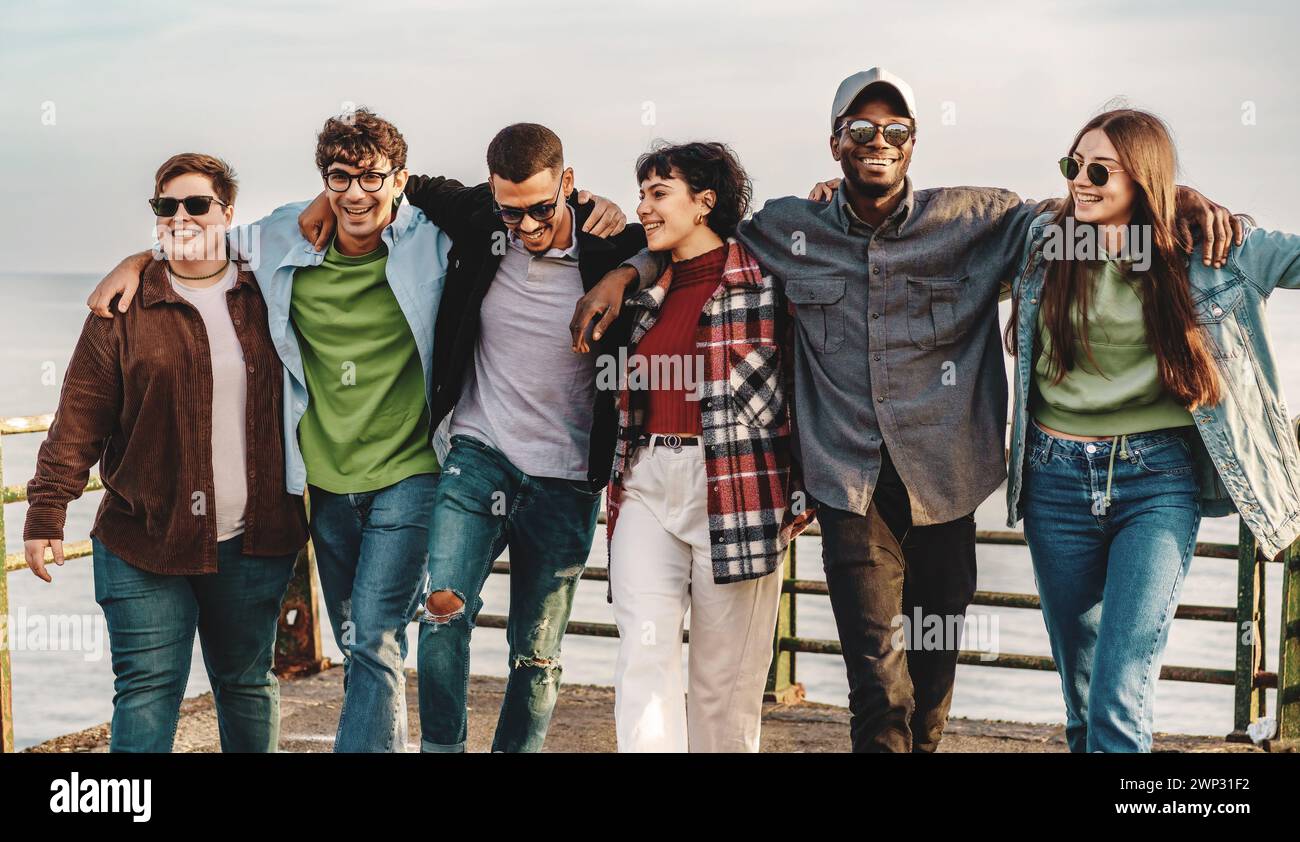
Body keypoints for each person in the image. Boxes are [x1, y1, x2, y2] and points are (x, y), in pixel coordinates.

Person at [573, 69, 1238, 753]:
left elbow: (1082, 207)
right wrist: (626, 271)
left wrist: (1175, 195)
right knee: (878, 689)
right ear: (836, 144)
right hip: (849, 489)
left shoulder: (980, 221)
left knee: (928, 694)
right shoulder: (786, 229)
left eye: (896, 130)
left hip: (944, 488)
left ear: (913, 142)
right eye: (861, 129)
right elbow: (698, 243)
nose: (878, 141)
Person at [85, 109, 453, 752]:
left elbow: (516, 220)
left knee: (373, 637)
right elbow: (198, 235)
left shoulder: (435, 240)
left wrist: (612, 245)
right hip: (325, 483)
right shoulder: (285, 236)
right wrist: (135, 260)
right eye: (340, 178)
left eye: (373, 177)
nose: (355, 193)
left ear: (399, 179)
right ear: (324, 181)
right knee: (357, 640)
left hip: (411, 472)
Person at [298, 122, 643, 752]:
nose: (528, 226)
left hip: (566, 478)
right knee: (441, 616)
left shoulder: (608, 243)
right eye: (513, 212)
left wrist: (626, 272)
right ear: (492, 193)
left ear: (568, 182)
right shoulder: (482, 222)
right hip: (477, 458)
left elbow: (685, 245)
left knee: (535, 657)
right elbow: (404, 183)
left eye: (542, 208)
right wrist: (324, 198)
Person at [1003, 108, 1300, 752]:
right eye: (1072, 165)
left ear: (1143, 179)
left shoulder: (1210, 250)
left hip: (1156, 481)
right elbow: (959, 216)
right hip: (1054, 480)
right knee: (1082, 705)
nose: (1080, 182)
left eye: (1100, 169)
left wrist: (1187, 203)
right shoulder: (1044, 243)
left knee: (1118, 693)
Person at [24, 153, 308, 752]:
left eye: (196, 204)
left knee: (247, 684)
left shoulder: (270, 292)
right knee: (149, 688)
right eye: (166, 206)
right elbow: (80, 416)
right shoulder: (123, 307)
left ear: (227, 213)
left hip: (254, 540)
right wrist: (46, 511)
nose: (180, 216)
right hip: (143, 538)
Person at [590, 141, 811, 752]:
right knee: (644, 656)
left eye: (659, 194)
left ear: (705, 201)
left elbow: (810, 380)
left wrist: (802, 493)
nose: (644, 208)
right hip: (648, 481)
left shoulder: (769, 281)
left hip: (739, 492)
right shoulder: (642, 293)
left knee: (725, 685)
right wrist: (625, 269)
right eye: (641, 195)